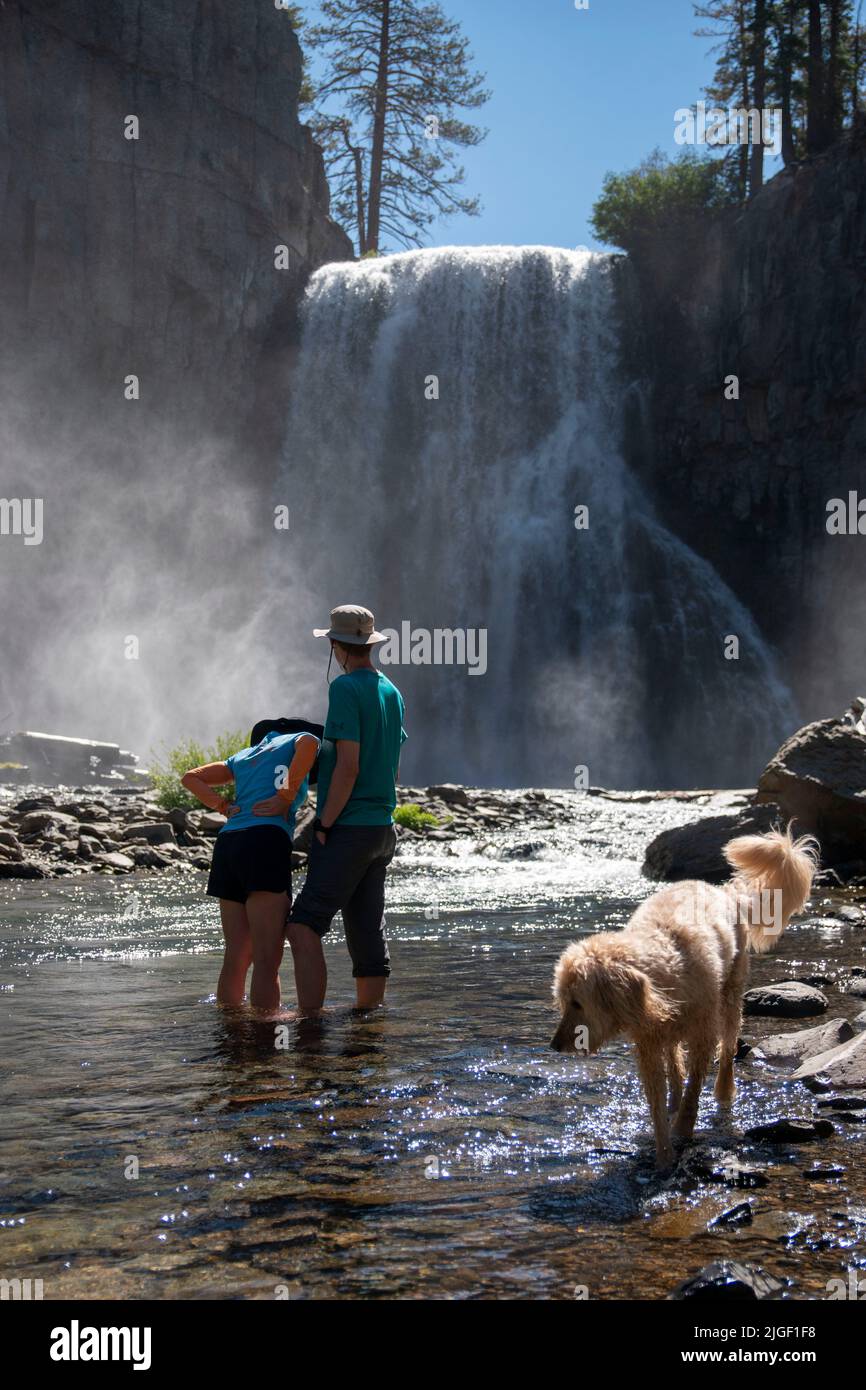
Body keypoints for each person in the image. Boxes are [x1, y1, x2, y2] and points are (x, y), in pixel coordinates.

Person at [280, 605, 406, 1014]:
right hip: (382, 828)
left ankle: (309, 1025)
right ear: (369, 643)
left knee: (302, 925)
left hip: (349, 826)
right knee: (366, 929)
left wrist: (324, 822)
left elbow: (347, 767)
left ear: (337, 645)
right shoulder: (392, 691)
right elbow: (390, 761)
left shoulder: (345, 690)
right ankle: (369, 1025)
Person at [181, 722, 320, 1014]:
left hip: (229, 843)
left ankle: (231, 1031)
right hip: (265, 841)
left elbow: (190, 777)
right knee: (267, 958)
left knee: (236, 955)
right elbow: (310, 743)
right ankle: (263, 1039)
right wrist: (284, 796)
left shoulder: (242, 756)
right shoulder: (296, 739)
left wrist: (221, 806)